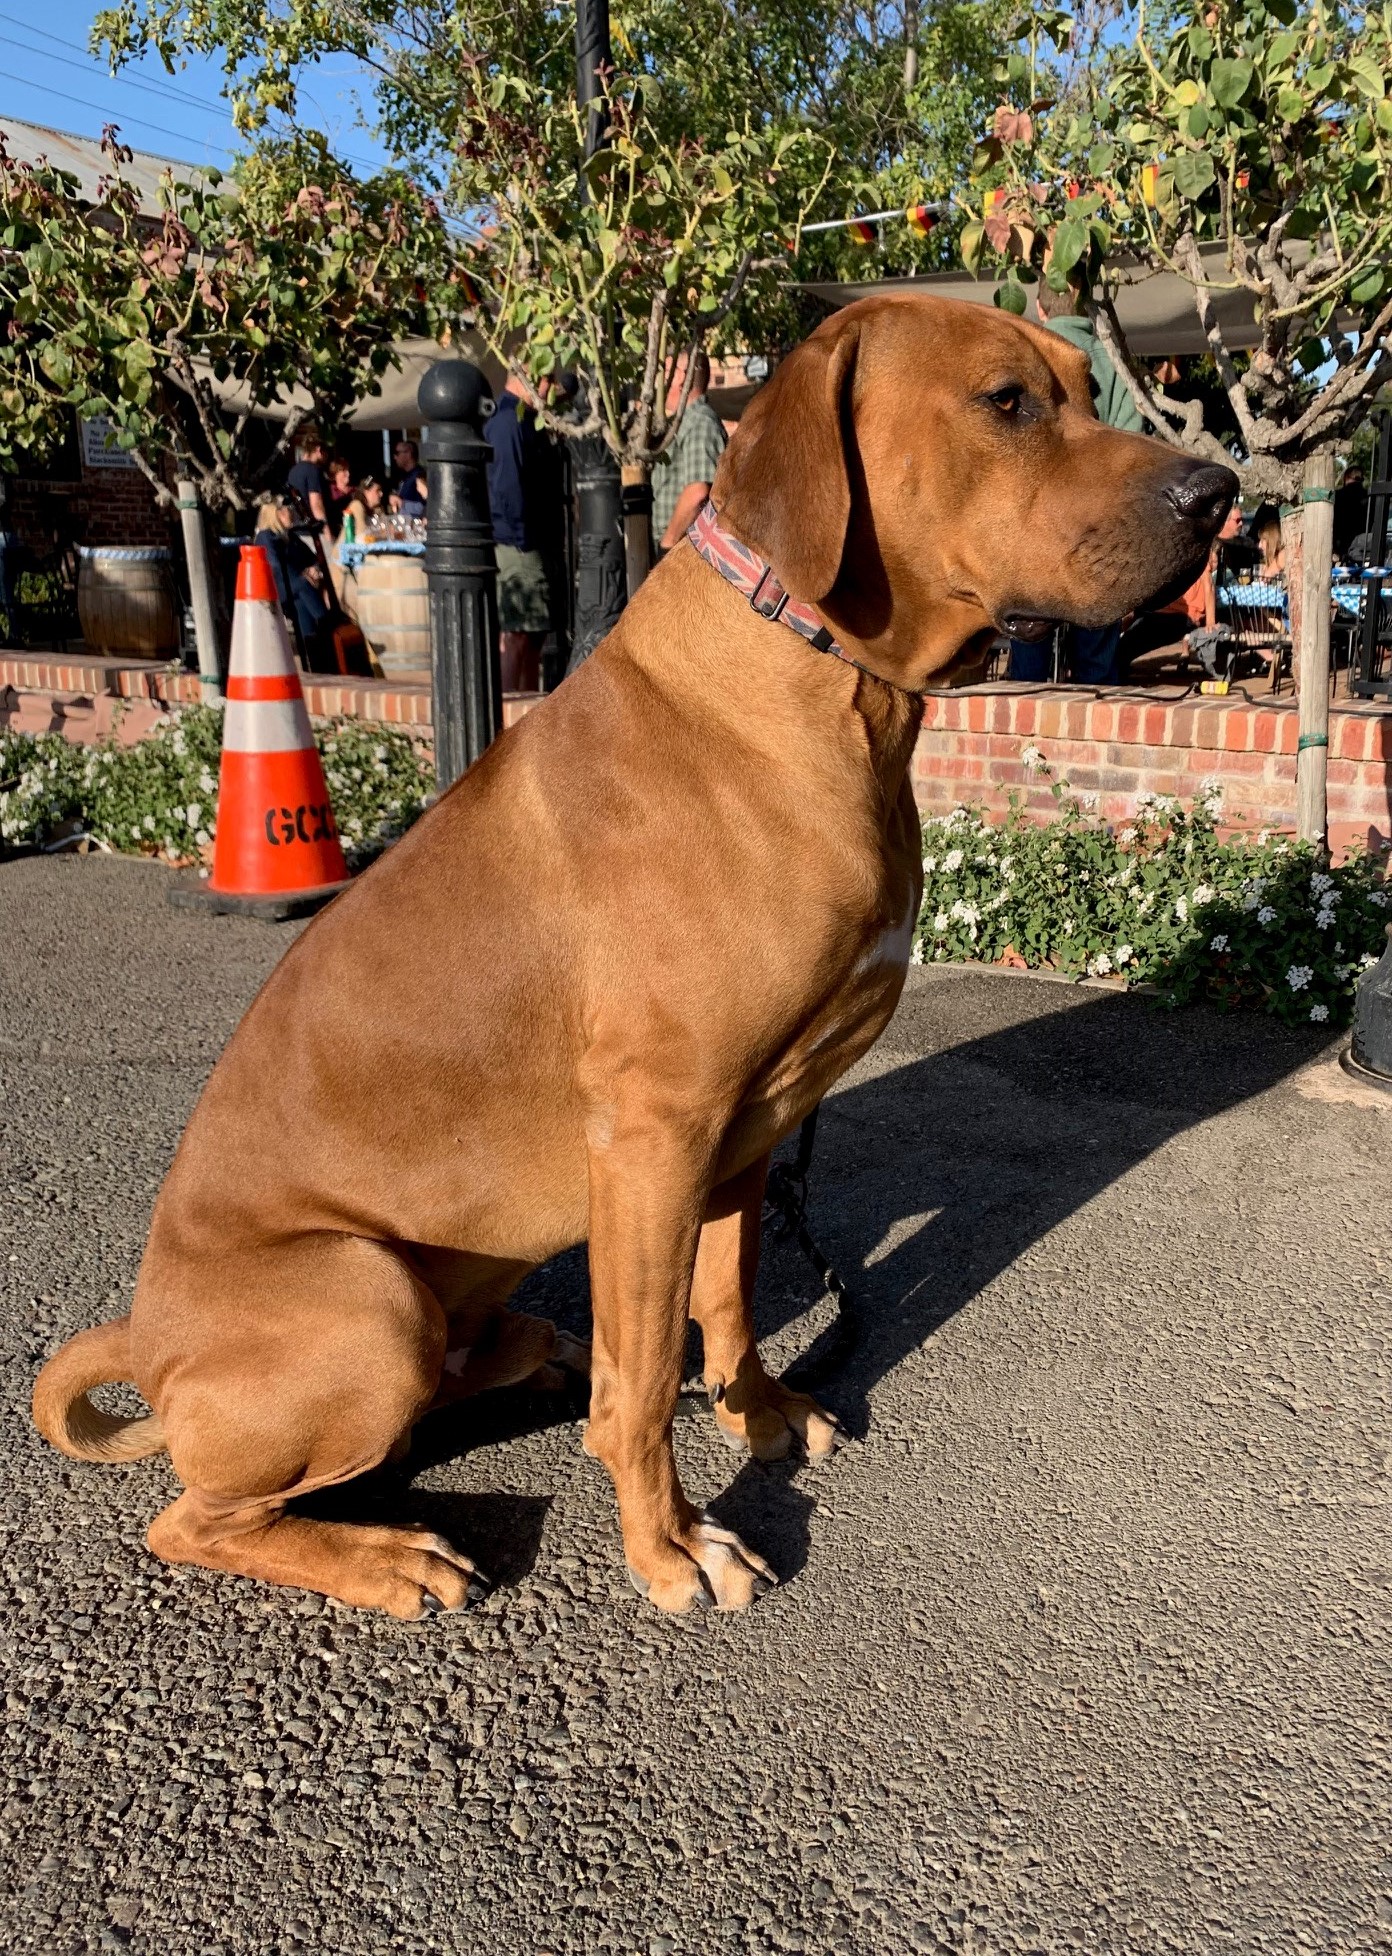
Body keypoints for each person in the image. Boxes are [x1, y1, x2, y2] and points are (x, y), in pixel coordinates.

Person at [1009, 279, 1145, 684]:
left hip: (1032, 530)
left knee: (1029, 665)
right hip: (1099, 531)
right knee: (1097, 666)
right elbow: (1129, 444)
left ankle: (1024, 743)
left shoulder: (1023, 351)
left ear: (1040, 307)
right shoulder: (1113, 361)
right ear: (1085, 306)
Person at [483, 376, 553, 691]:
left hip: (521, 539)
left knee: (530, 633)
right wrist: (524, 540)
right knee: (518, 634)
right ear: (530, 376)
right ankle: (514, 711)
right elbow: (508, 488)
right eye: (547, 381)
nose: (549, 391)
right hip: (516, 543)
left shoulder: (518, 419)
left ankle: (524, 706)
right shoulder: (508, 422)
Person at [1117, 502, 1244, 668]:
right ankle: (1115, 667)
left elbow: (1209, 586)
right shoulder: (1186, 548)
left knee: (1128, 645)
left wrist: (1211, 622)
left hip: (1180, 616)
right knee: (1128, 642)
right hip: (1168, 613)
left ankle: (1113, 668)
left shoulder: (1197, 549)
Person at [651, 350, 727, 555]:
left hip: (685, 550)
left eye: (663, 371)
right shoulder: (685, 422)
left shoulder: (700, 421)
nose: (657, 381)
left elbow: (698, 490)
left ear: (680, 376)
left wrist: (667, 543)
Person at [254, 493, 329, 658]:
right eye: (288, 510)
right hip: (277, 588)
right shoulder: (266, 537)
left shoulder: (290, 537)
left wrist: (313, 569)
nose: (292, 513)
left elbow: (311, 558)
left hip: (295, 589)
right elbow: (276, 568)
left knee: (301, 603)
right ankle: (327, 624)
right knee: (303, 585)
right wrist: (304, 576)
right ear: (277, 513)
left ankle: (314, 650)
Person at [286, 430, 331, 539]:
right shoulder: (313, 470)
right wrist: (327, 531)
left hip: (296, 530)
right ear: (319, 450)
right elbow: (316, 504)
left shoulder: (293, 470)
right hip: (313, 532)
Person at [390, 439, 428, 519]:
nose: (395, 457)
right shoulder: (405, 476)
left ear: (408, 453)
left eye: (397, 453)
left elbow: (425, 506)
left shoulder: (419, 476)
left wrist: (402, 503)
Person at [325, 456, 354, 539]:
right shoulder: (328, 492)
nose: (348, 473)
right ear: (335, 473)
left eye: (348, 470)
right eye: (344, 470)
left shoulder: (355, 491)